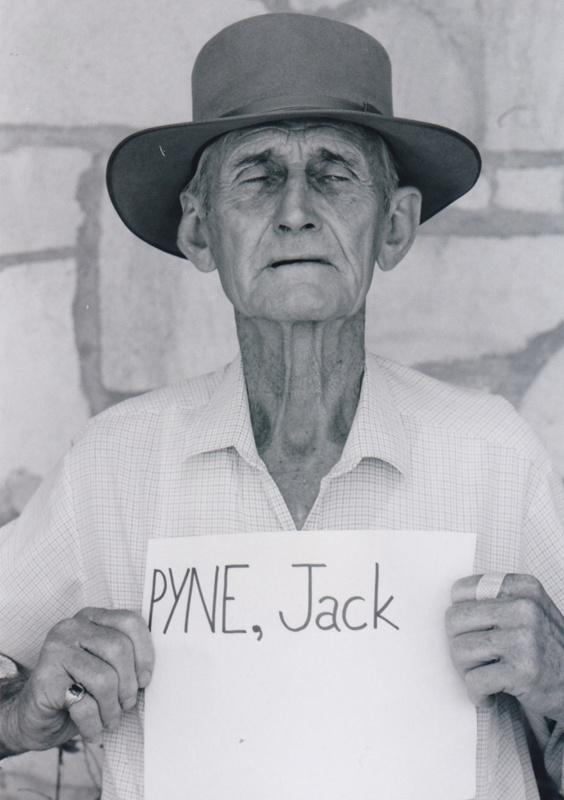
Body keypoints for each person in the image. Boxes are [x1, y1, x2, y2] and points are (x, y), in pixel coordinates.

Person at [1, 12, 564, 800]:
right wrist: (24, 711)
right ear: (200, 232)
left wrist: (559, 689)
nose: (296, 209)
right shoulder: (112, 465)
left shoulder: (494, 455)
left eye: (333, 173)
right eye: (258, 175)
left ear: (392, 226)